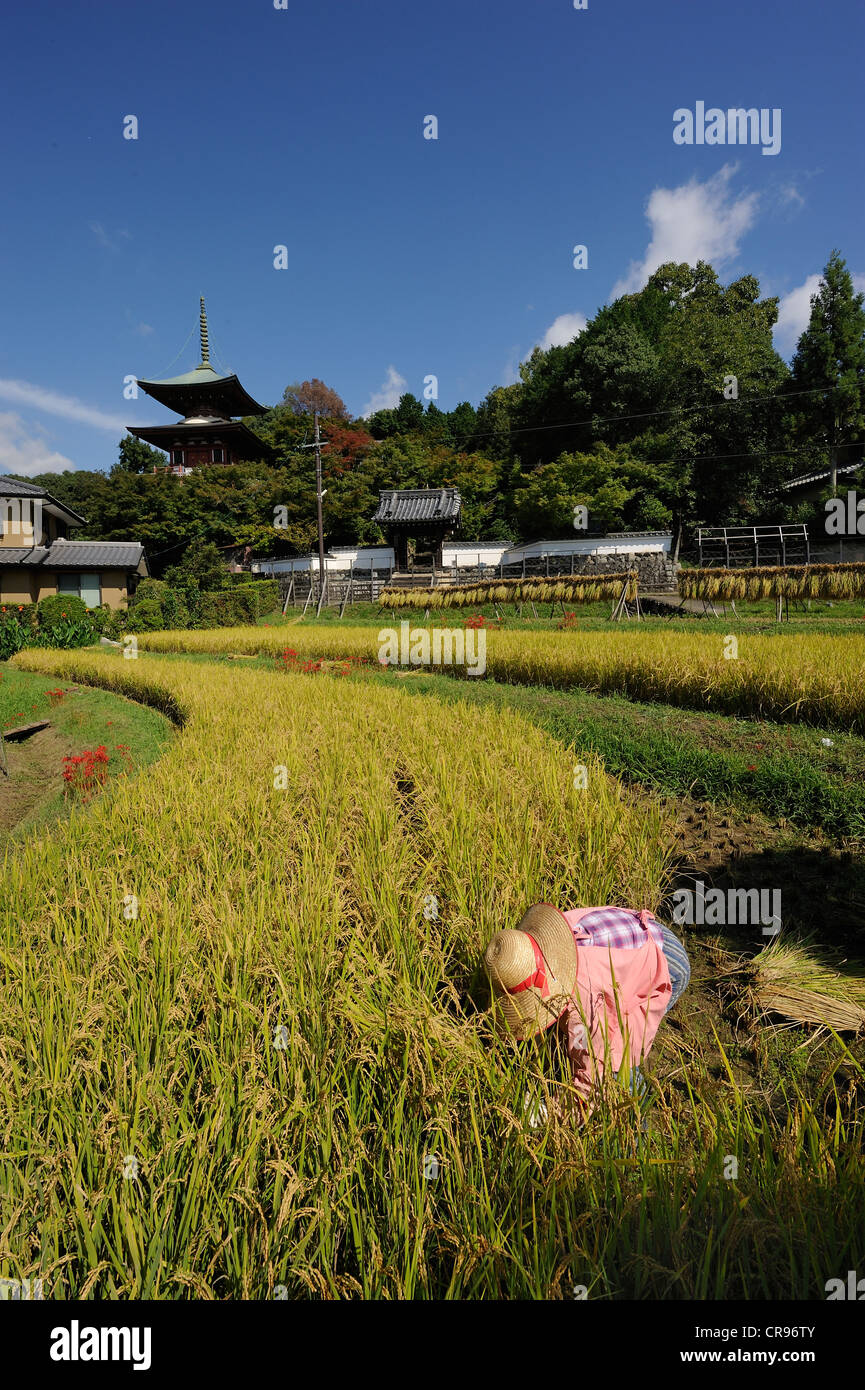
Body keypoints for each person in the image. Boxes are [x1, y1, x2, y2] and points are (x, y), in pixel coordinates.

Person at [483, 903, 690, 1117]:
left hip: (668, 962)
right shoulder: (550, 937)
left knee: (619, 1055)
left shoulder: (581, 1000)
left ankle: (634, 1117)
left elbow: (593, 1075)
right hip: (643, 934)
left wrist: (548, 1113)